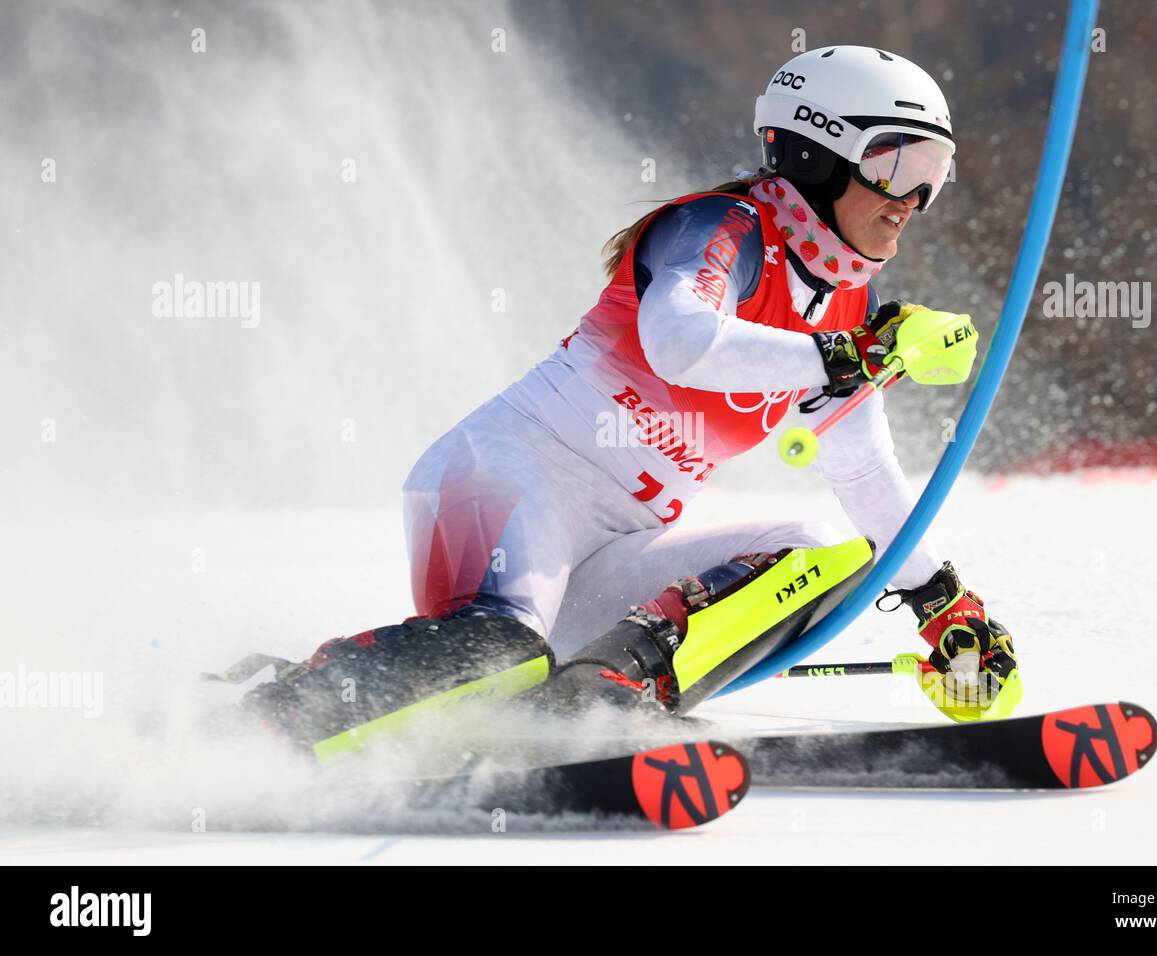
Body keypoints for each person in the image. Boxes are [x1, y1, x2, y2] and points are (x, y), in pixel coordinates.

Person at [238, 45, 1017, 752]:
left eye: (933, 175)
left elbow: (864, 478)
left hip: (614, 549)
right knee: (503, 654)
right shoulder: (723, 228)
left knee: (819, 550)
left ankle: (600, 698)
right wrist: (851, 356)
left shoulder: (843, 310)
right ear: (815, 153)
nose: (910, 200)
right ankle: (262, 723)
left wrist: (942, 603)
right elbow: (683, 339)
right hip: (511, 483)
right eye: (894, 164)